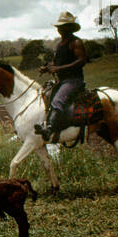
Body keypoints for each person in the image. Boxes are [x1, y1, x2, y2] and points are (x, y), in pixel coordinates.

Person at [35, 11, 88, 142]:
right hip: (62, 81)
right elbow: (56, 62)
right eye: (59, 27)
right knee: (45, 95)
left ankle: (49, 129)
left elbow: (82, 60)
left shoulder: (76, 42)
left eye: (63, 27)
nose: (59, 29)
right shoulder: (60, 44)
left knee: (57, 101)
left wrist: (58, 68)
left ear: (69, 28)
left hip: (73, 80)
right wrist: (47, 67)